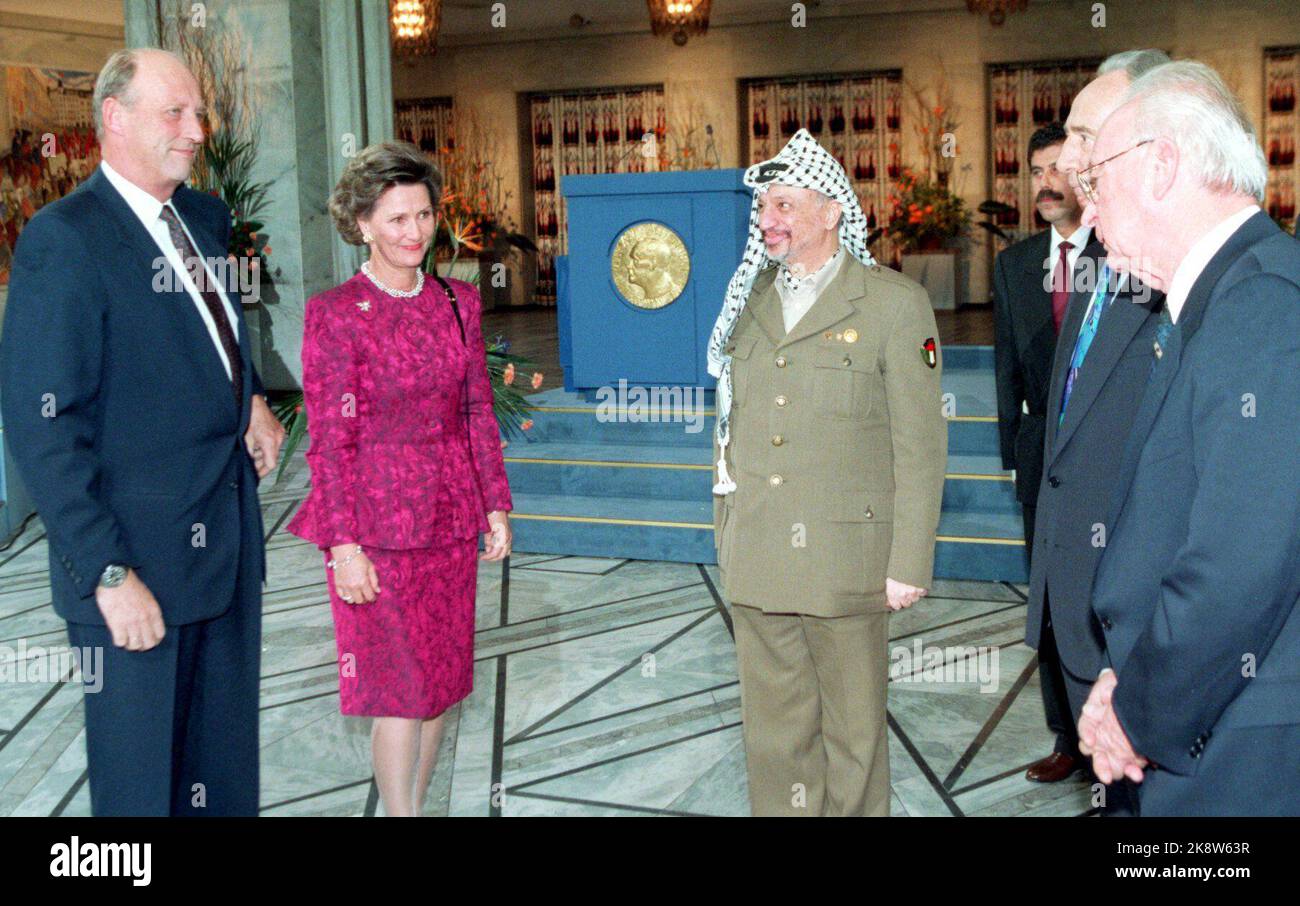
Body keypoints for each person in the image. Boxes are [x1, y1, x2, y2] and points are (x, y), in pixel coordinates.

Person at [0, 48, 283, 816]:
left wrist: (249, 399)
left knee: (221, 774)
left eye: (199, 113)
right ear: (114, 119)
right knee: (140, 789)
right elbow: (43, 427)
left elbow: (214, 338)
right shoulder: (65, 239)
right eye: (176, 113)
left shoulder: (202, 216)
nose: (197, 130)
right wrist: (107, 573)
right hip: (136, 570)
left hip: (223, 552)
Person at [1076, 61, 1300, 816]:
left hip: (1233, 746)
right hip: (1198, 718)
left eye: (1096, 182)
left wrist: (1137, 718)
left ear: (1162, 166)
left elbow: (1239, 567)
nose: (1088, 214)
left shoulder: (1263, 304)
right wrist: (1124, 679)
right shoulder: (1216, 302)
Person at [706, 129, 947, 816]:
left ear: (831, 210)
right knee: (775, 740)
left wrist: (908, 560)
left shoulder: (893, 305)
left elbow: (921, 446)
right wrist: (726, 531)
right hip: (756, 556)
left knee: (854, 736)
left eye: (783, 204)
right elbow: (731, 425)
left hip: (849, 562)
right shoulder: (746, 301)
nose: (768, 221)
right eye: (763, 209)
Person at [287, 141, 513, 817]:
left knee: (440, 685)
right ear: (361, 224)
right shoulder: (335, 313)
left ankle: (411, 809)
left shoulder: (457, 302)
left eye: (423, 216)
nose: (414, 232)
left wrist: (494, 504)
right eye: (395, 220)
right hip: (376, 528)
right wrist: (343, 546)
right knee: (398, 690)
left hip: (449, 517)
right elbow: (328, 441)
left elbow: (476, 406)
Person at [1020, 49, 1168, 798]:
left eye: (1083, 136)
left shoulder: (1176, 276)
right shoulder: (1095, 261)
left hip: (1137, 621)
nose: (1066, 159)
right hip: (1075, 601)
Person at [993, 122, 1093, 784]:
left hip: (1107, 461)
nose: (1046, 182)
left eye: (1059, 168)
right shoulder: (1014, 263)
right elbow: (1005, 364)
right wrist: (1012, 454)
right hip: (1040, 461)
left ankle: (1113, 731)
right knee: (1051, 602)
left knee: (1108, 596)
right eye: (1036, 170)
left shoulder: (1124, 255)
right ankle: (1068, 737)